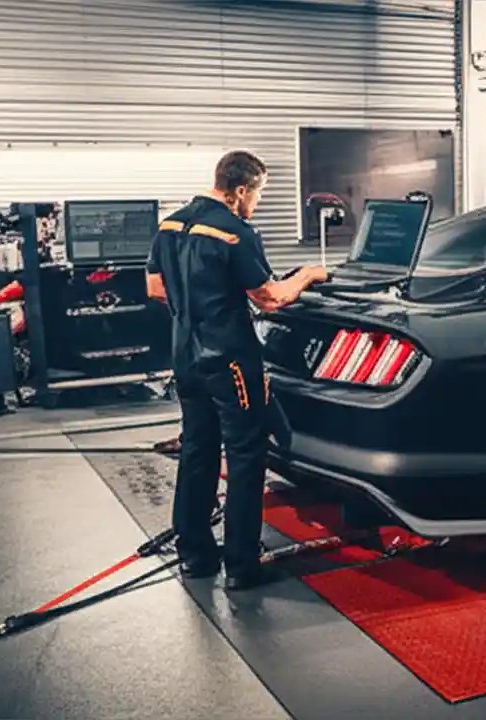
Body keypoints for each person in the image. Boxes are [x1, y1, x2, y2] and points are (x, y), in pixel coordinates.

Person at [145, 150, 330, 590]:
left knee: (197, 451)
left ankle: (195, 556)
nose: (258, 203)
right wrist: (308, 275)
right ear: (241, 190)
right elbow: (268, 298)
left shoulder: (170, 224)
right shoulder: (234, 231)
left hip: (185, 358)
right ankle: (243, 567)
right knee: (246, 456)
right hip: (230, 362)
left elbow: (154, 288)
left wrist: (197, 308)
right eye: (259, 193)